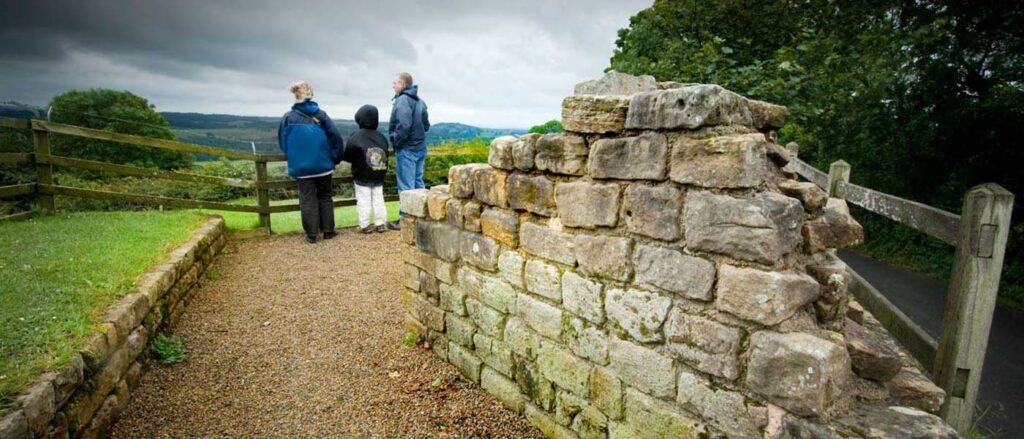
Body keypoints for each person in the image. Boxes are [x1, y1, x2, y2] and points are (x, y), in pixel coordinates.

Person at [278, 81, 345, 243]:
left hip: (301, 167)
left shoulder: (288, 117)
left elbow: (283, 142)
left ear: (295, 96)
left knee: (307, 199)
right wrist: (335, 158)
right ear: (311, 95)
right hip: (323, 165)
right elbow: (336, 138)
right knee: (325, 197)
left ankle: (312, 235)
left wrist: (293, 156)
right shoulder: (321, 115)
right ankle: (328, 231)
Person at [387, 72, 430, 230]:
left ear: (403, 84)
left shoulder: (403, 100)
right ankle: (421, 217)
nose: (393, 85)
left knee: (406, 187)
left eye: (395, 83)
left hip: (407, 149)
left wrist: (396, 141)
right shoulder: (420, 101)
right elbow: (426, 125)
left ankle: (405, 220)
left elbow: (403, 125)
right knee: (418, 184)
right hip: (420, 148)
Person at [343, 104, 389, 233]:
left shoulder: (356, 136)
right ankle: (380, 223)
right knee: (379, 199)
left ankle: (364, 225)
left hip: (362, 174)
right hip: (379, 173)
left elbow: (348, 156)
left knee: (364, 200)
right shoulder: (381, 137)